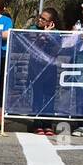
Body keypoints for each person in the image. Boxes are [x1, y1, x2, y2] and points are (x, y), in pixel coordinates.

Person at [26, 8, 60, 136]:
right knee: (38, 95)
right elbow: (31, 46)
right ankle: (37, 123)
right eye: (40, 17)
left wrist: (49, 36)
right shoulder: (33, 29)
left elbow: (58, 48)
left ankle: (48, 123)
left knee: (49, 96)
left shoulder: (56, 32)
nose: (40, 20)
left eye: (44, 19)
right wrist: (42, 35)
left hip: (50, 69)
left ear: (51, 22)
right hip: (35, 68)